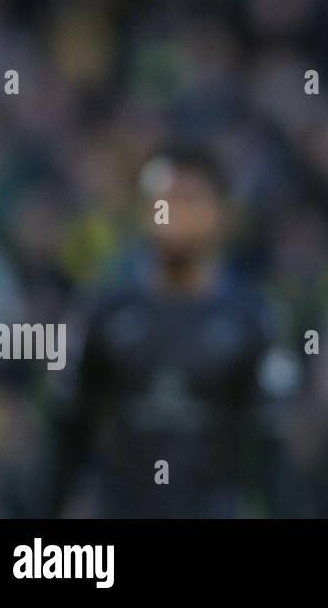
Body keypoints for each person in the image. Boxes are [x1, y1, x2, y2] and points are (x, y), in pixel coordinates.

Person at [34, 147, 296, 518]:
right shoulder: (102, 311)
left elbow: (273, 451)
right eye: (162, 201)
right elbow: (65, 435)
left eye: (188, 200)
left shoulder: (254, 319)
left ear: (220, 212)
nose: (173, 215)